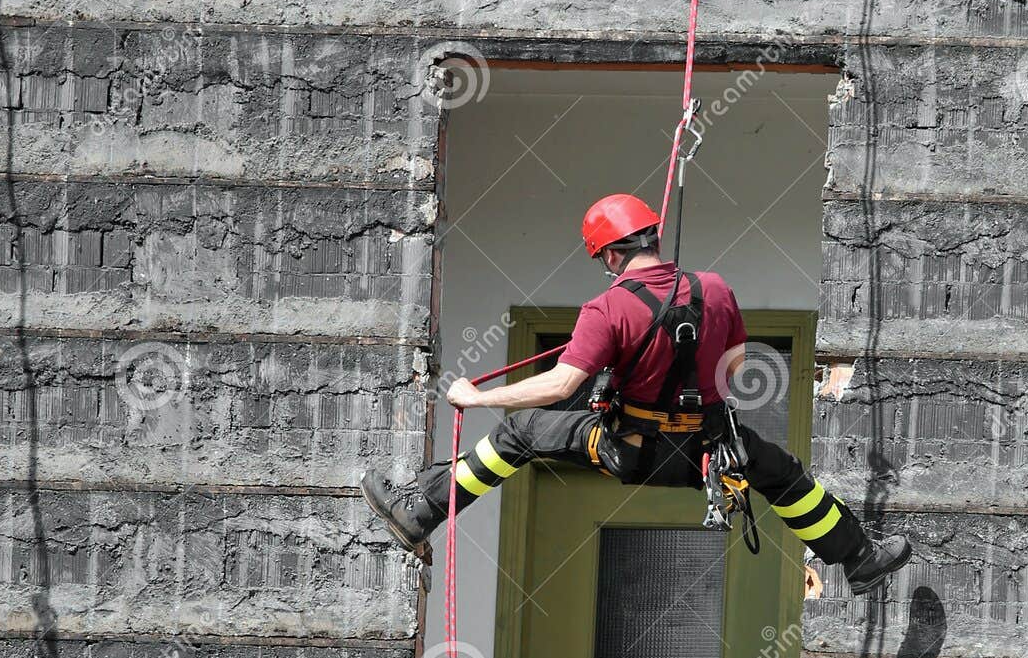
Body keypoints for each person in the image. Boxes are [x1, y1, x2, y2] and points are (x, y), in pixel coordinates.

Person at [361, 193, 910, 593]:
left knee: (517, 433)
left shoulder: (607, 308)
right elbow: (738, 365)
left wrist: (475, 398)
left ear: (610, 255)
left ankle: (424, 511)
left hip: (630, 452)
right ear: (650, 237)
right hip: (708, 458)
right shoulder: (714, 289)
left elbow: (562, 384)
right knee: (782, 473)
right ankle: (859, 556)